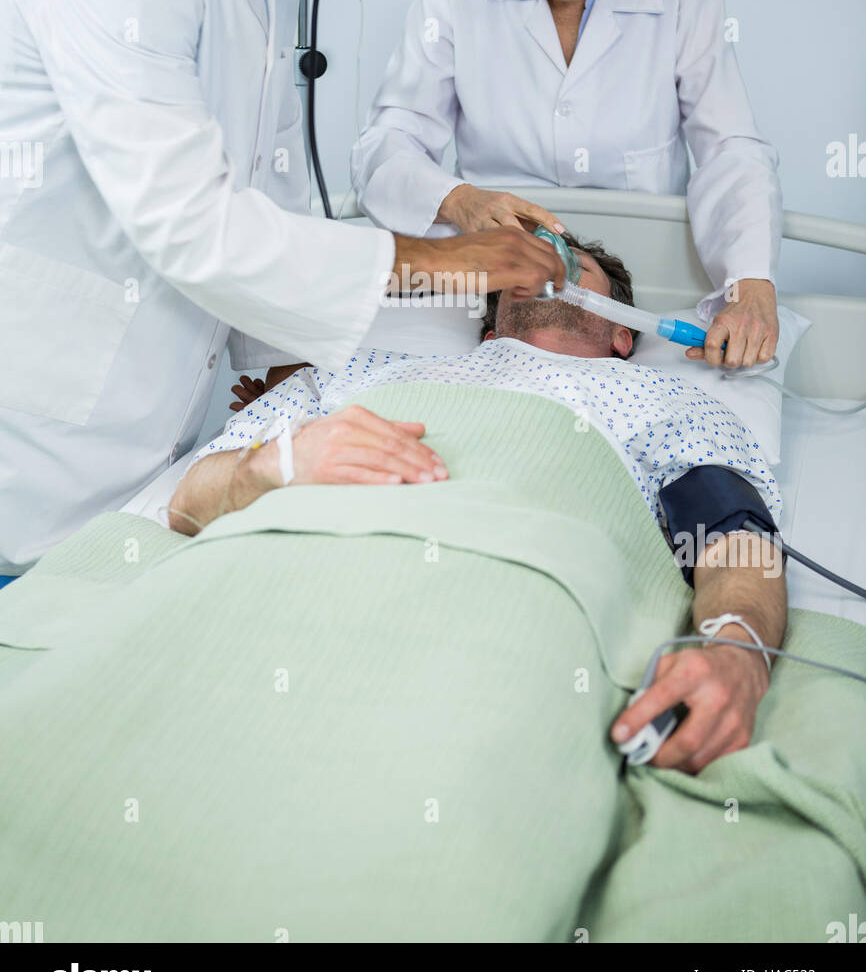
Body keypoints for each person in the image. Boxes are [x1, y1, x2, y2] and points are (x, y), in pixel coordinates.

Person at [0, 0, 561, 573]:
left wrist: (286, 369)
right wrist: (439, 264)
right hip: (39, 453)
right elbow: (195, 226)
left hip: (161, 441)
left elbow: (269, 197)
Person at [169, 231, 785, 775]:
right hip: (295, 592)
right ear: (490, 329)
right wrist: (280, 461)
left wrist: (738, 648)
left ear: (624, 331)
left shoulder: (668, 400)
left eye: (577, 265)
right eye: (536, 261)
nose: (552, 266)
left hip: (508, 618)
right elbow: (188, 502)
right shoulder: (362, 374)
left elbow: (733, 532)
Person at [350, 0, 783, 372]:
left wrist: (750, 281)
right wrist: (458, 200)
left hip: (639, 279)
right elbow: (387, 143)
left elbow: (731, 149)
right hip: (494, 286)